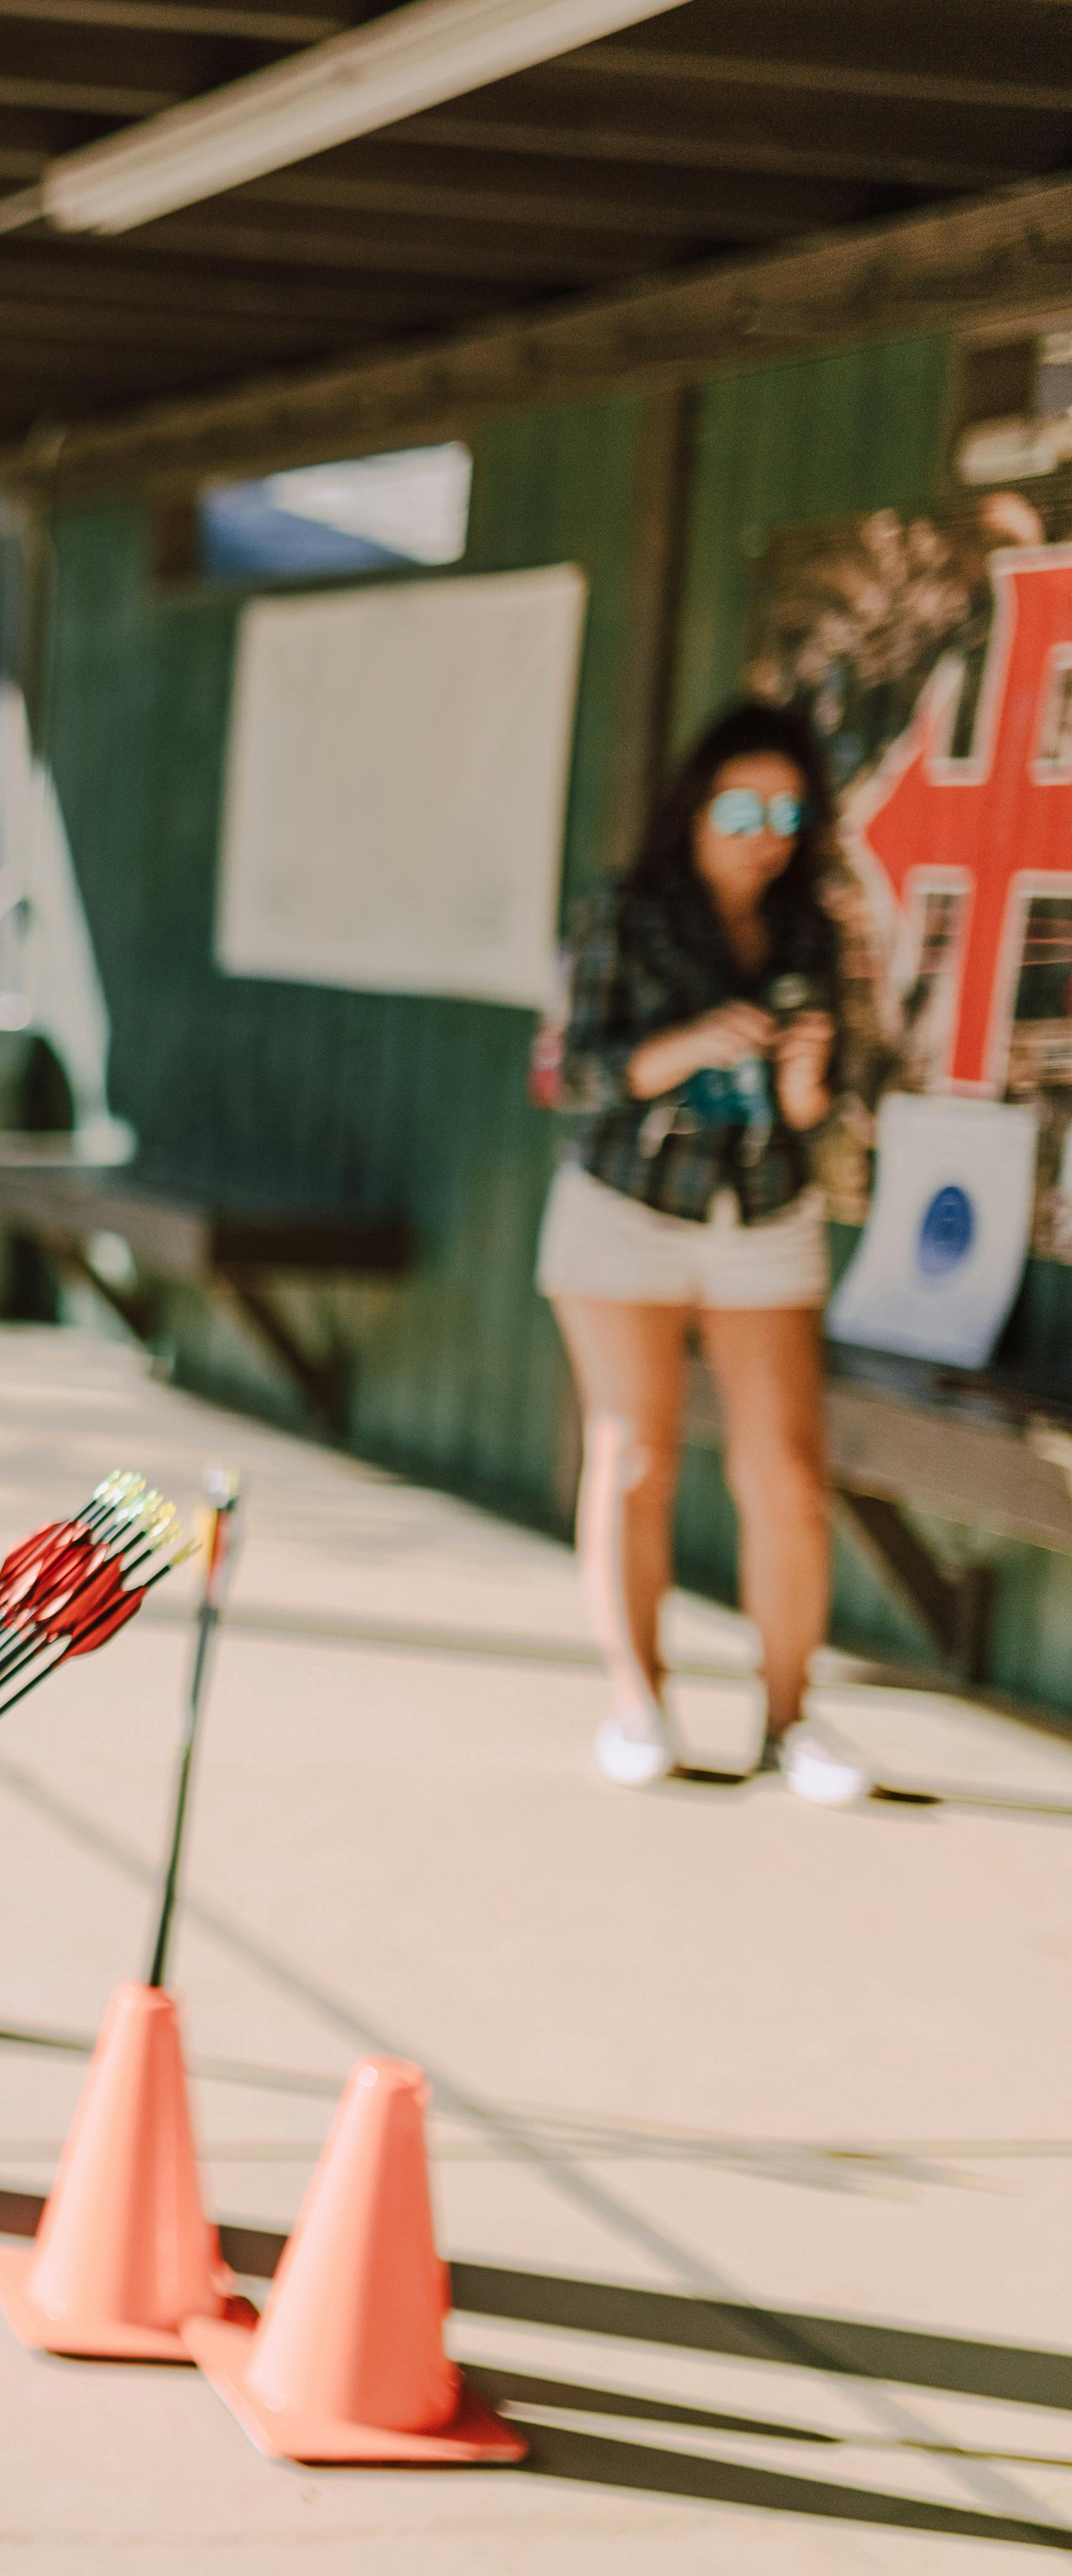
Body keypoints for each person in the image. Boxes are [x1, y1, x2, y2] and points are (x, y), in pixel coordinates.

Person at [535, 702, 866, 1805]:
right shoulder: (622, 911)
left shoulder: (815, 928)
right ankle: (637, 1705)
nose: (764, 830)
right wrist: (686, 1045)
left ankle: (789, 1721)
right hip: (623, 1208)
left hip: (763, 1210)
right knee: (633, 1460)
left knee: (786, 1472)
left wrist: (806, 1078)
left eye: (786, 810)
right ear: (694, 805)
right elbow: (570, 1078)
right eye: (741, 805)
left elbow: (827, 1110)